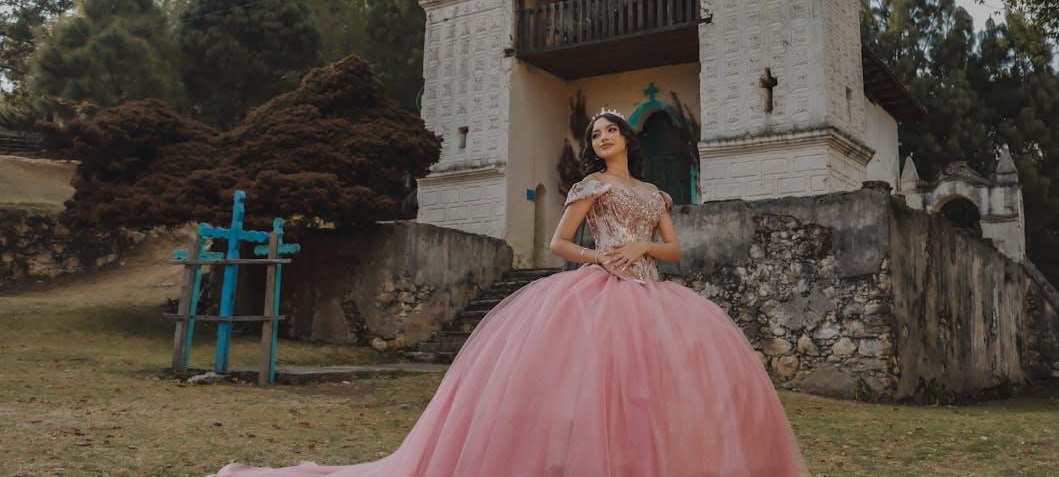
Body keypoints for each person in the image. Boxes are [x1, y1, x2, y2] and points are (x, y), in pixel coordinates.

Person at [211, 109, 808, 477]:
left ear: (628, 137)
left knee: (660, 394)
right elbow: (558, 245)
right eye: (595, 134)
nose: (601, 139)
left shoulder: (654, 195)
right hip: (599, 291)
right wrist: (604, 254)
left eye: (609, 132)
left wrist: (644, 249)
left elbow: (674, 249)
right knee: (590, 391)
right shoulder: (591, 186)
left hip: (653, 292)